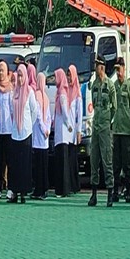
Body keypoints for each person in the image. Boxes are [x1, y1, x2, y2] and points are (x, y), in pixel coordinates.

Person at [88, 54, 117, 207]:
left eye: (98, 66)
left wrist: (107, 121)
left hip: (105, 128)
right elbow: (94, 104)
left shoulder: (109, 85)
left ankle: (110, 192)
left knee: (107, 160)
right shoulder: (94, 85)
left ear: (103, 67)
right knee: (94, 160)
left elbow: (114, 107)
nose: (96, 68)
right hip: (96, 127)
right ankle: (93, 195)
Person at [7, 64, 37, 204]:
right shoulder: (14, 93)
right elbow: (12, 112)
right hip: (15, 133)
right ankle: (15, 192)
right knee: (15, 165)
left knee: (25, 164)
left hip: (25, 132)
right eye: (18, 75)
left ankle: (24, 192)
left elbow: (34, 111)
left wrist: (28, 125)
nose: (19, 78)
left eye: (21, 75)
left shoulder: (30, 92)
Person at [113, 58, 130, 203]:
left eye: (119, 69)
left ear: (124, 68)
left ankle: (128, 190)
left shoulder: (129, 86)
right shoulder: (114, 85)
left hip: (127, 130)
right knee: (116, 163)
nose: (118, 73)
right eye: (116, 70)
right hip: (117, 129)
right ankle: (116, 191)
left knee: (127, 163)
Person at [53, 67, 75, 197]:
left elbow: (65, 113)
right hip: (61, 132)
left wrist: (69, 126)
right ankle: (63, 189)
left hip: (63, 132)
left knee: (62, 162)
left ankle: (62, 189)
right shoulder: (61, 92)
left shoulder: (61, 93)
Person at [0, 60, 14, 199]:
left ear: (7, 72)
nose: (1, 73)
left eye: (3, 70)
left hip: (9, 129)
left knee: (9, 160)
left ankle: (11, 188)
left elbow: (12, 109)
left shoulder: (11, 88)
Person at [30, 67, 51, 200]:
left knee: (39, 165)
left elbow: (39, 116)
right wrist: (47, 129)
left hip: (40, 135)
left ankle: (39, 190)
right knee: (43, 164)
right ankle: (43, 189)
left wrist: (44, 129)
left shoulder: (38, 95)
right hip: (44, 136)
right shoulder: (45, 97)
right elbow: (48, 117)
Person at [66, 64, 83, 194]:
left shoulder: (77, 93)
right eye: (67, 75)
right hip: (67, 131)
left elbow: (79, 114)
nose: (69, 78)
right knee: (69, 160)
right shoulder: (66, 91)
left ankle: (75, 185)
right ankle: (70, 185)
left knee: (73, 159)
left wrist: (79, 131)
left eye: (70, 75)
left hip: (74, 132)